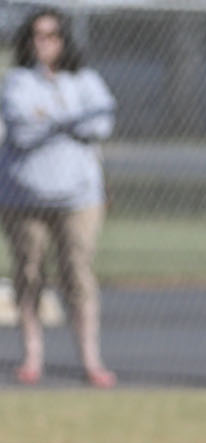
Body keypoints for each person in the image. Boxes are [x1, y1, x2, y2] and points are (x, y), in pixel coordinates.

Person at [0, 8, 116, 387]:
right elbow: (22, 130)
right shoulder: (17, 82)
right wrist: (70, 118)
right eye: (36, 35)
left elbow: (101, 122)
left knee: (77, 274)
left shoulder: (86, 80)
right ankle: (32, 357)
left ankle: (90, 359)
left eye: (51, 35)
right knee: (29, 274)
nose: (43, 43)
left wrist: (47, 116)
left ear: (64, 39)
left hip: (79, 197)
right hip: (24, 195)